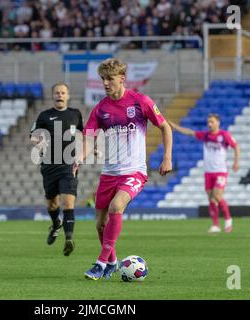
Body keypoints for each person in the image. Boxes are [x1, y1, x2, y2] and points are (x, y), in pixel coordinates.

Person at [75, 58, 173, 280]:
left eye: (110, 79)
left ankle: (100, 263)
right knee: (100, 224)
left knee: (116, 207)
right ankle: (111, 262)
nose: (106, 83)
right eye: (103, 79)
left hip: (134, 171)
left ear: (122, 79)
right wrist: (80, 158)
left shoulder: (140, 102)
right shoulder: (100, 109)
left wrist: (167, 157)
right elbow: (89, 138)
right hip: (109, 172)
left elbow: (165, 127)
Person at [30, 81, 83, 257]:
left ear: (68, 96)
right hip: (49, 165)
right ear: (53, 96)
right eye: (57, 93)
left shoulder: (76, 114)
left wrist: (91, 149)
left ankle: (69, 239)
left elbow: (82, 135)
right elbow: (33, 136)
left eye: (63, 92)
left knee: (68, 202)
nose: (60, 95)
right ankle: (55, 225)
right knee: (52, 204)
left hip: (69, 165)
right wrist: (39, 140)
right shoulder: (45, 116)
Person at [168, 114, 240, 233]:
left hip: (220, 171)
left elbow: (236, 146)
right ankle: (216, 225)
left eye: (212, 122)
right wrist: (174, 126)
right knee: (211, 199)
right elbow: (190, 132)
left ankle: (228, 220)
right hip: (208, 172)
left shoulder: (224, 135)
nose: (209, 124)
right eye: (208, 122)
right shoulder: (206, 135)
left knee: (217, 196)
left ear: (218, 123)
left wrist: (236, 162)